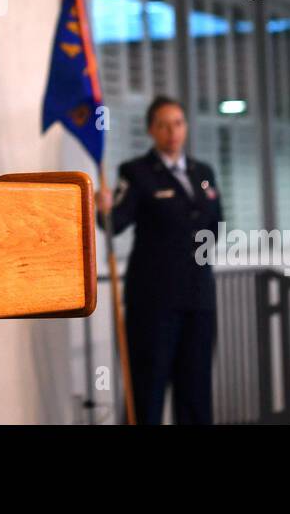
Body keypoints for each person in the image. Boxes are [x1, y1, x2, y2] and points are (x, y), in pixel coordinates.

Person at [97, 96, 223, 425]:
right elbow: (116, 222)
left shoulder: (203, 174)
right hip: (154, 305)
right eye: (164, 125)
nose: (173, 132)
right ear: (152, 130)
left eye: (178, 123)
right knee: (148, 390)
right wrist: (103, 207)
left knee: (196, 390)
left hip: (198, 299)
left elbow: (215, 219)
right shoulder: (137, 174)